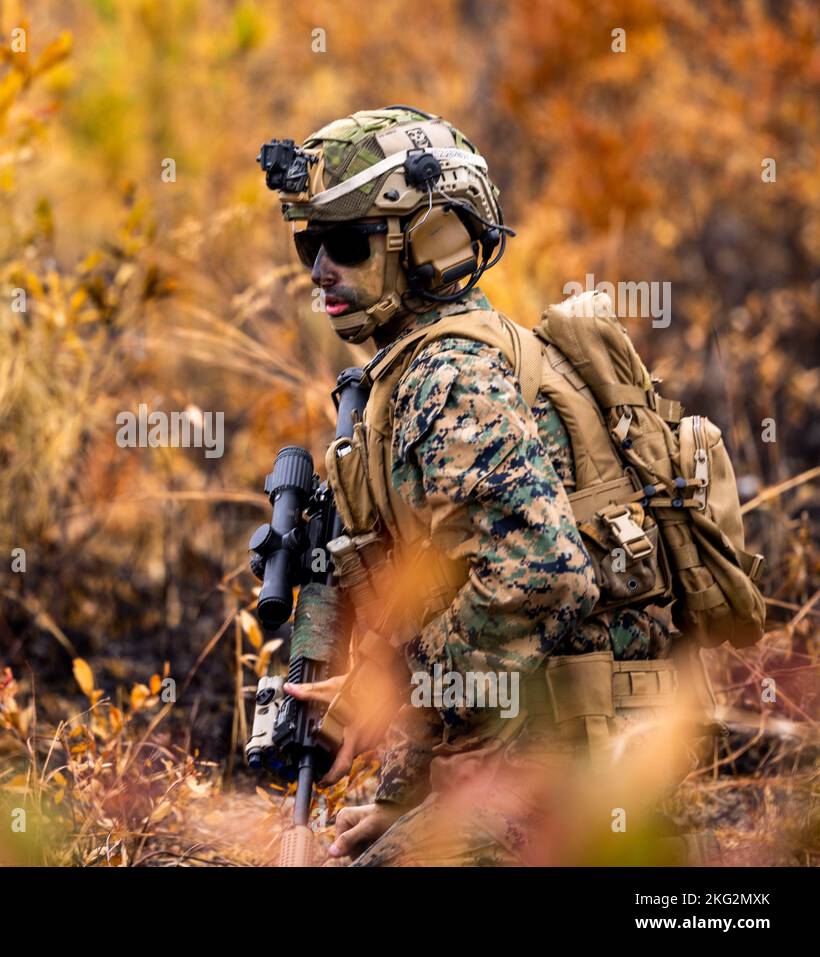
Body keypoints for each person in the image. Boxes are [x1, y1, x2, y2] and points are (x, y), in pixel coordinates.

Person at [258, 106, 708, 865]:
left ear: (427, 243)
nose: (318, 269)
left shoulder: (449, 378)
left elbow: (541, 579)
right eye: (309, 243)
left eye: (345, 243)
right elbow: (452, 610)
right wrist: (404, 794)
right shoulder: (415, 371)